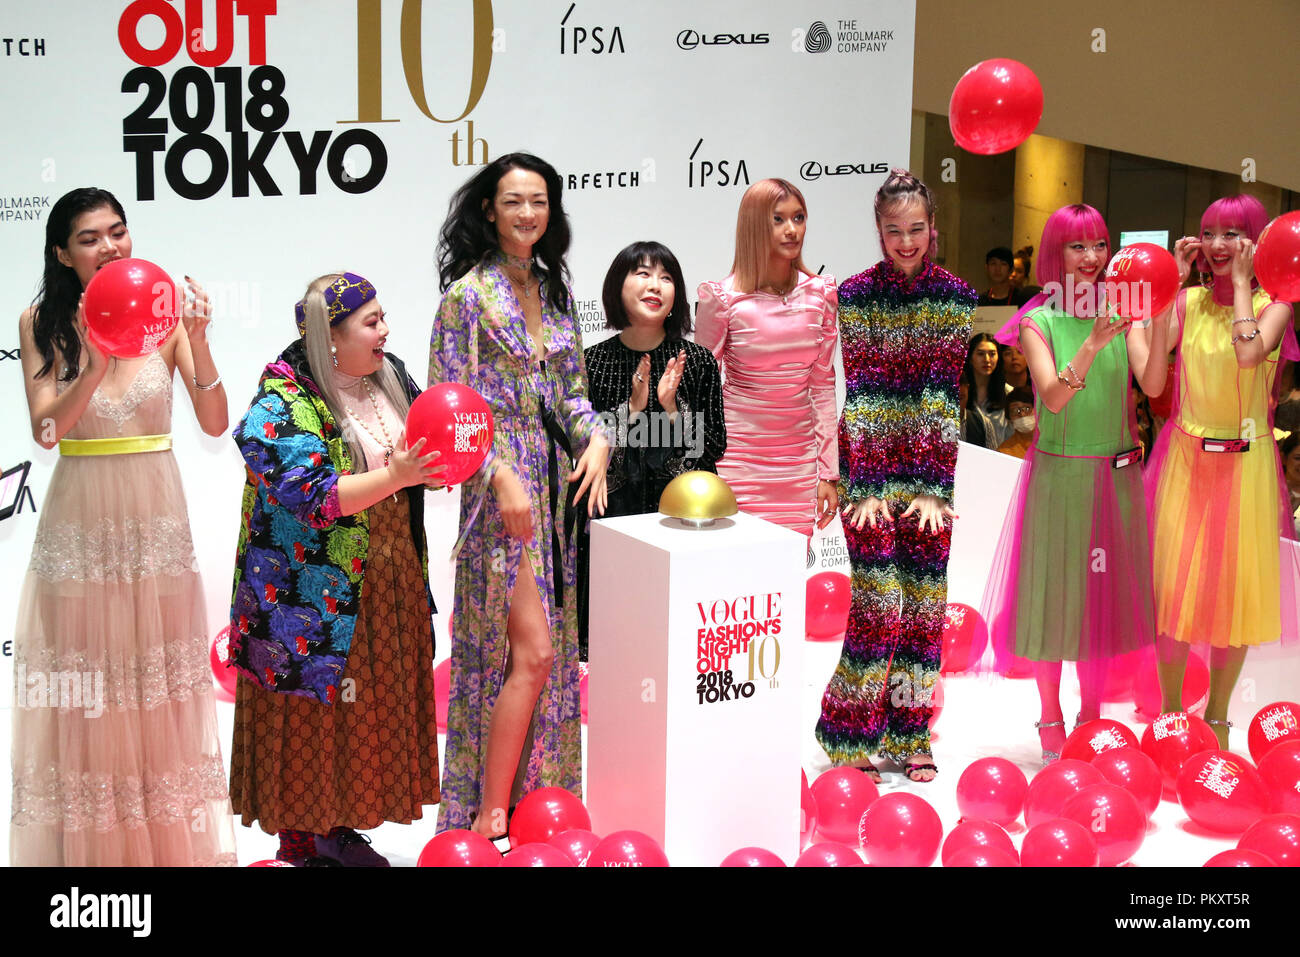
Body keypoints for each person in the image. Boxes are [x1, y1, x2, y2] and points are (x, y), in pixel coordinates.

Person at [10, 186, 236, 865]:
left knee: (153, 685)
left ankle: (162, 848)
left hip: (153, 520)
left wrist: (197, 341)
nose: (110, 246)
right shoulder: (40, 320)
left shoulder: (164, 315)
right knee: (89, 690)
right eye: (90, 237)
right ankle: (94, 854)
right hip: (79, 519)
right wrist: (96, 364)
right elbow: (46, 431)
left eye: (118, 230)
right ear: (61, 252)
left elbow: (216, 422)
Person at [227, 272, 445, 866]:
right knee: (313, 712)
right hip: (311, 591)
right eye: (371, 322)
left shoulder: (392, 373)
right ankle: (302, 840)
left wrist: (437, 466)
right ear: (331, 338)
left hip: (392, 573)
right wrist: (399, 475)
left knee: (366, 712)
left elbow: (429, 443)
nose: (385, 330)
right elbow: (312, 497)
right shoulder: (282, 399)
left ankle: (341, 827)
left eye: (383, 316)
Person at [430, 152, 611, 841]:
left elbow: (569, 396)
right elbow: (449, 410)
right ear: (488, 210)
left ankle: (528, 795)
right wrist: (499, 475)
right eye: (513, 201)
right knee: (528, 652)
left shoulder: (556, 291)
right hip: (497, 491)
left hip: (548, 488)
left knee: (542, 655)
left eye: (538, 201)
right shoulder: (465, 299)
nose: (528, 213)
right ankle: (487, 810)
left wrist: (597, 439)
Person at [981, 203, 1163, 764]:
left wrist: (1156, 321)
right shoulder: (1039, 319)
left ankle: (1093, 715)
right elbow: (1053, 399)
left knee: (1100, 600)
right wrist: (1090, 343)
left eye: (1100, 245)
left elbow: (1153, 385)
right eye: (1078, 247)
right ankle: (1051, 715)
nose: (1091, 258)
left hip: (1116, 477)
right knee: (1054, 600)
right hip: (1059, 475)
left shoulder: (1123, 307)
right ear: (1056, 253)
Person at [815, 169, 975, 783]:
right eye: (892, 230)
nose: (905, 241)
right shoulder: (852, 295)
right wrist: (873, 486)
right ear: (877, 231)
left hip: (930, 473)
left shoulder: (957, 297)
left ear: (931, 229)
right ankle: (846, 729)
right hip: (870, 474)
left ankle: (909, 731)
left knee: (925, 608)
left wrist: (932, 489)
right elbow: (868, 392)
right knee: (880, 604)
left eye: (915, 229)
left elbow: (938, 395)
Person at [1143, 195, 1299, 748]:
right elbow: (1155, 383)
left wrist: (1240, 288)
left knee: (1235, 594)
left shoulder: (1276, 302)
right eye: (1208, 232)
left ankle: (1217, 716)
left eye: (1232, 233)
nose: (1216, 244)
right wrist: (1168, 295)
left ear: (1255, 242)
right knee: (1172, 594)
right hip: (1184, 460)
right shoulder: (1185, 303)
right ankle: (1167, 712)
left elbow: (1249, 355)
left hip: (1246, 465)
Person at [575, 241, 726, 659]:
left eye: (665, 277)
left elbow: (713, 446)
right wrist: (633, 410)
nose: (655, 285)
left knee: (677, 647)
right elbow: (584, 449)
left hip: (679, 522)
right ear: (617, 286)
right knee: (616, 647)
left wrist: (672, 408)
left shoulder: (697, 361)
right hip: (613, 521)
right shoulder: (593, 362)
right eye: (642, 273)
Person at [696, 178, 839, 539]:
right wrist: (699, 466)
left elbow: (822, 388)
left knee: (789, 579)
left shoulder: (821, 295)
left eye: (799, 217)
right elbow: (700, 390)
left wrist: (829, 472)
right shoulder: (722, 298)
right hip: (736, 462)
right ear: (754, 223)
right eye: (778, 219)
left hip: (798, 468)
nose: (792, 230)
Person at [962, 332, 1010, 448]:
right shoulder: (961, 391)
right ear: (970, 357)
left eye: (992, 354)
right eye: (980, 354)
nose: (987, 359)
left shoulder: (1008, 392)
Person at [997, 388, 1036, 459]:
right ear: (1009, 419)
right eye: (1015, 411)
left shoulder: (1056, 442)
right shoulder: (1004, 453)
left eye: (1027, 409)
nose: (1022, 414)